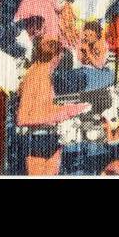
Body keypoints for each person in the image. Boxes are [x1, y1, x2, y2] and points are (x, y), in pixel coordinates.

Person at [17, 39, 90, 175]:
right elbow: (22, 118)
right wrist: (63, 113)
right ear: (55, 56)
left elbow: (46, 108)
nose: (61, 58)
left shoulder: (46, 75)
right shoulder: (34, 76)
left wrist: (71, 109)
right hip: (36, 141)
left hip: (51, 138)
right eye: (60, 54)